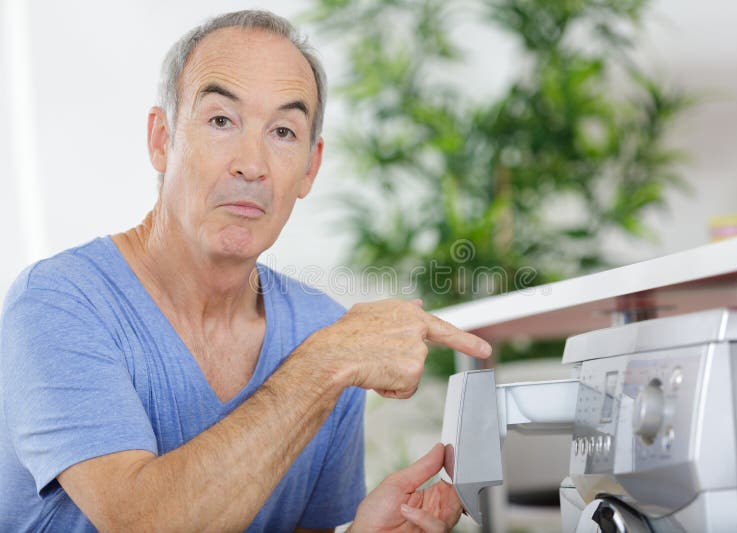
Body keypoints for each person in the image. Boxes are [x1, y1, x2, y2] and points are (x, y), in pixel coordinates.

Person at [0, 9, 492, 533]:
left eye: (283, 131)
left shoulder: (320, 325)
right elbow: (141, 523)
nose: (251, 163)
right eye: (220, 121)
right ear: (161, 139)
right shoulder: (57, 303)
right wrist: (327, 361)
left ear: (310, 167)